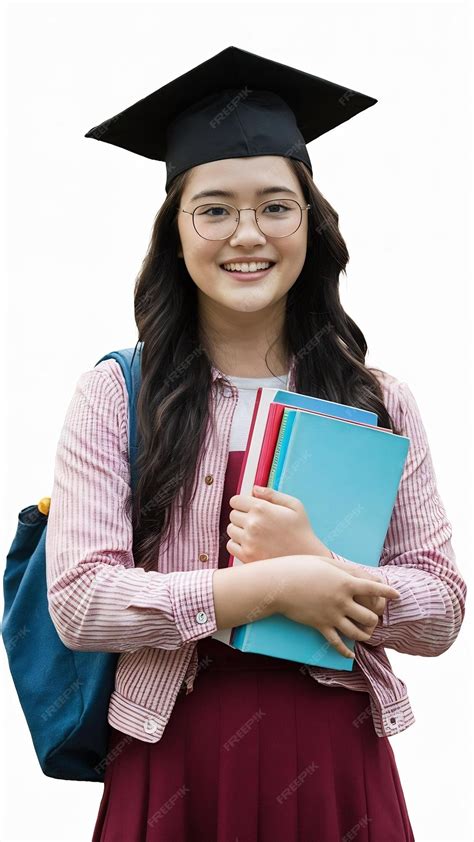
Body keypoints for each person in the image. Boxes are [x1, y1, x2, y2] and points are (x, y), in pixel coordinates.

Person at [45, 47, 467, 841]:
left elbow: (441, 609)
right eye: (215, 209)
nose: (248, 233)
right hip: (174, 757)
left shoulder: (377, 401)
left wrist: (329, 573)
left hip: (336, 762)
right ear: (176, 230)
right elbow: (79, 602)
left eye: (277, 206)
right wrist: (265, 591)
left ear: (311, 223)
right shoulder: (118, 394)